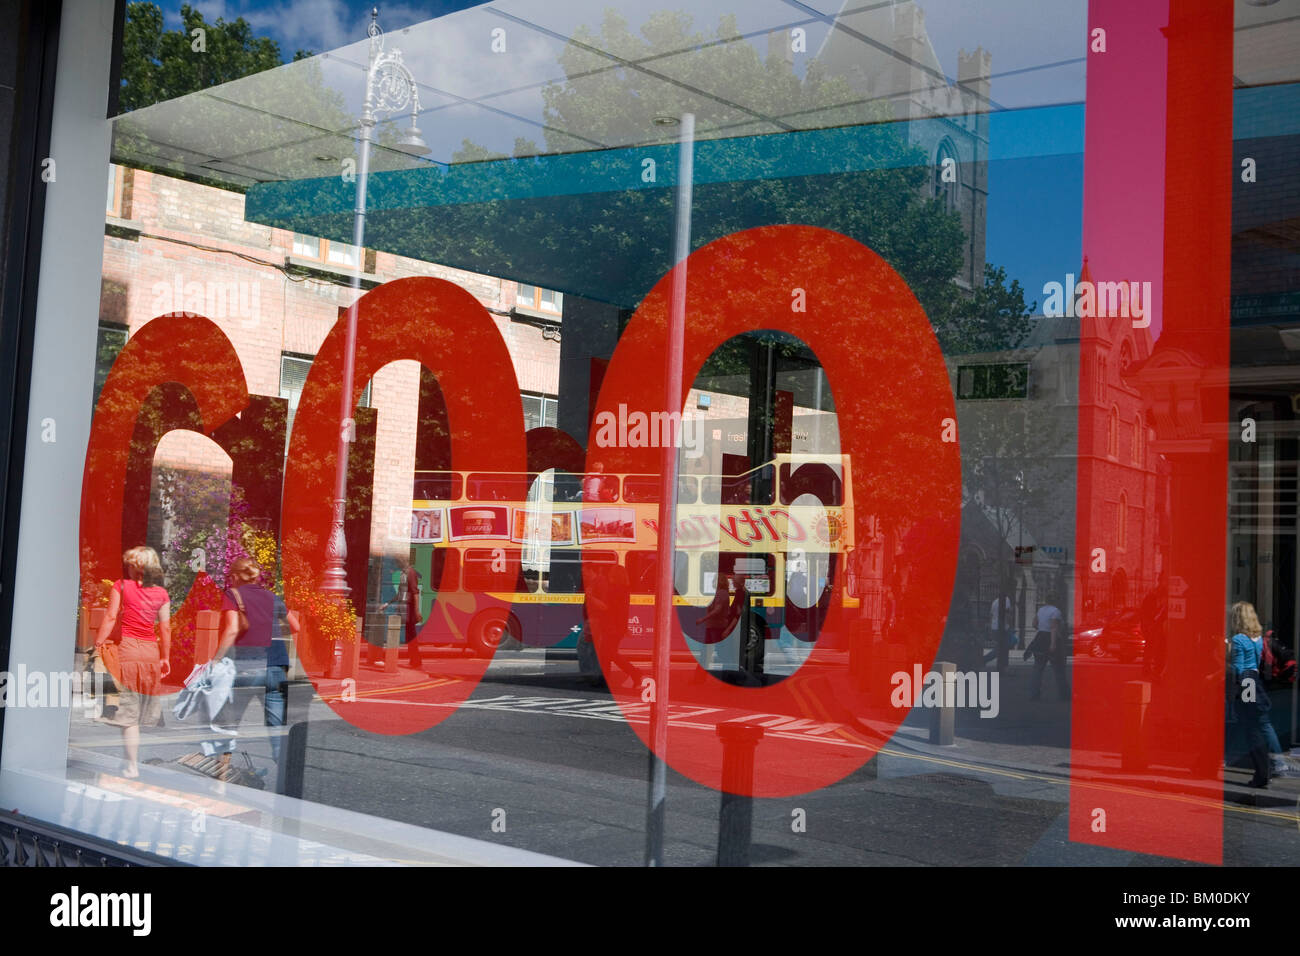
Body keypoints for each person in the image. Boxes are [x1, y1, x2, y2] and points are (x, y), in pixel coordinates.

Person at [200, 555, 300, 782]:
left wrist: (215, 660)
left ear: (235, 576)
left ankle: (221, 782)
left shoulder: (233, 595)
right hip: (275, 667)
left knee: (228, 725)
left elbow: (232, 629)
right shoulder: (272, 597)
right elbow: (296, 626)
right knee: (277, 731)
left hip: (244, 667)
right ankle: (288, 785)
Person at [95, 546, 171, 777]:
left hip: (127, 652)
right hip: (150, 653)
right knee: (136, 714)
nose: (127, 567)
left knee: (128, 718)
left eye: (129, 564)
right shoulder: (162, 594)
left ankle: (132, 765)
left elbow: (110, 616)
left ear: (136, 567)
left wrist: (98, 643)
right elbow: (165, 628)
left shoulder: (122, 586)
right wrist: (165, 656)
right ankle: (129, 761)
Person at [1228, 601, 1284, 788]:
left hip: (1246, 682)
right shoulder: (1258, 638)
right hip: (1255, 680)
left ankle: (1266, 766)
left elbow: (1238, 666)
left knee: (1252, 725)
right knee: (1262, 723)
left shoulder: (1238, 640)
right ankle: (1277, 761)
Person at [1029, 592, 1069, 701]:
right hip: (1051, 638)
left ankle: (1034, 694)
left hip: (1040, 638)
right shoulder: (1056, 611)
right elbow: (1053, 628)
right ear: (1056, 601)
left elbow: (1034, 624)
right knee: (1058, 669)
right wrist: (1053, 644)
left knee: (1037, 668)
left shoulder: (1041, 610)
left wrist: (1041, 629)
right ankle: (1064, 695)